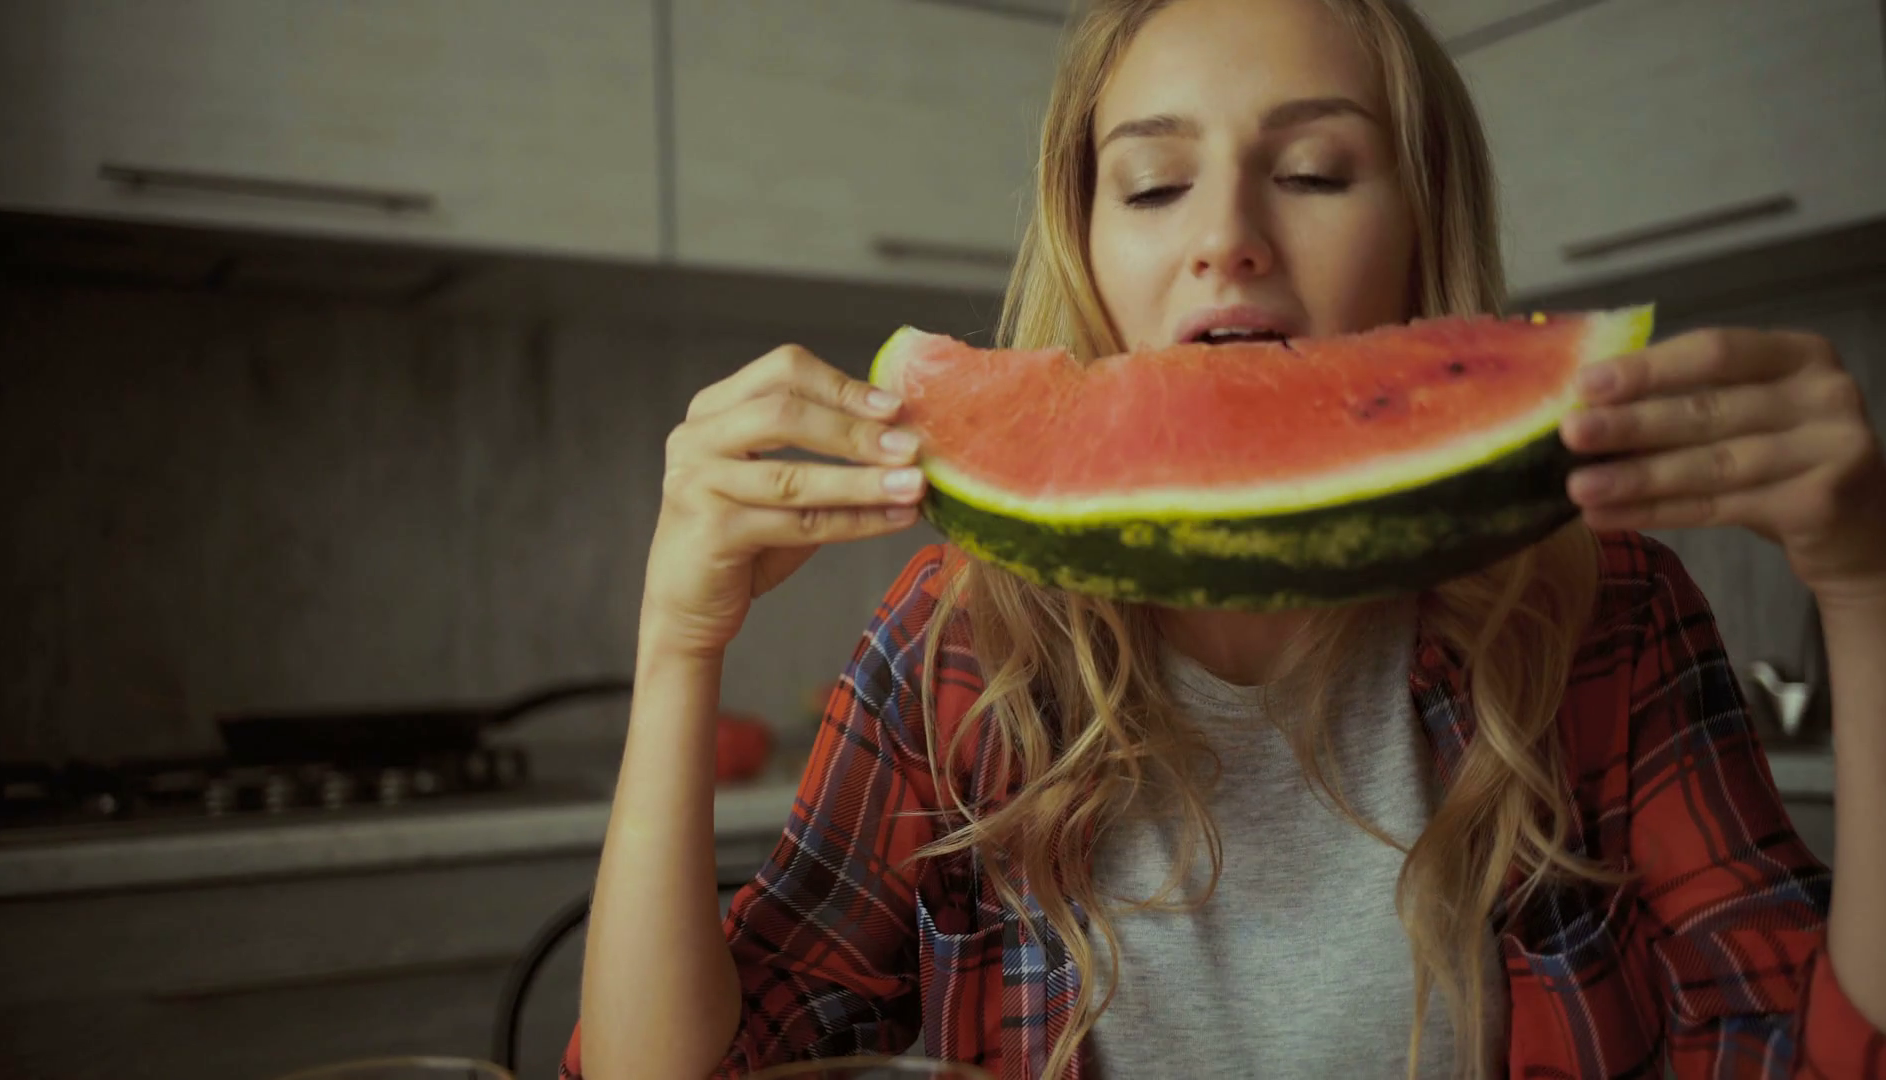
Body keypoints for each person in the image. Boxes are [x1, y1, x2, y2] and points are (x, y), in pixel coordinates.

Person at [566, 0, 1886, 1076]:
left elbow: (1817, 1046)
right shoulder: (955, 646)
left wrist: (1868, 592)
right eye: (1151, 185)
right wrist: (678, 642)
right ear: (1085, 242)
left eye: (1315, 171)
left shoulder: (1605, 614)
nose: (1226, 241)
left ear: (1425, 228)